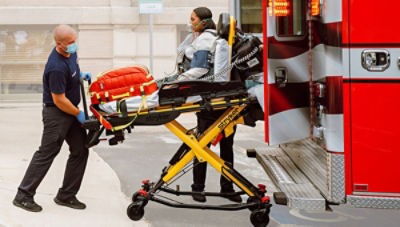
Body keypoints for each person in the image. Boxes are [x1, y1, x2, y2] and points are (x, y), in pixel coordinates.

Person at [13, 24, 92, 212]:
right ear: (59, 44)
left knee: (81, 149)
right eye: (70, 43)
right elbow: (59, 100)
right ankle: (23, 195)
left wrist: (79, 76)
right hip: (57, 114)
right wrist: (78, 114)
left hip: (70, 109)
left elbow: (70, 73)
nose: (74, 45)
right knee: (47, 153)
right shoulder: (55, 66)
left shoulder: (70, 53)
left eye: (75, 41)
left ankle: (66, 195)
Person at [172, 7, 242, 203]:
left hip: (209, 102)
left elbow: (200, 68)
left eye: (193, 19)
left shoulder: (204, 39)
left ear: (203, 21)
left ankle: (198, 188)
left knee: (200, 145)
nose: (191, 22)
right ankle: (227, 188)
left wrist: (179, 81)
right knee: (227, 146)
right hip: (223, 100)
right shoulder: (212, 38)